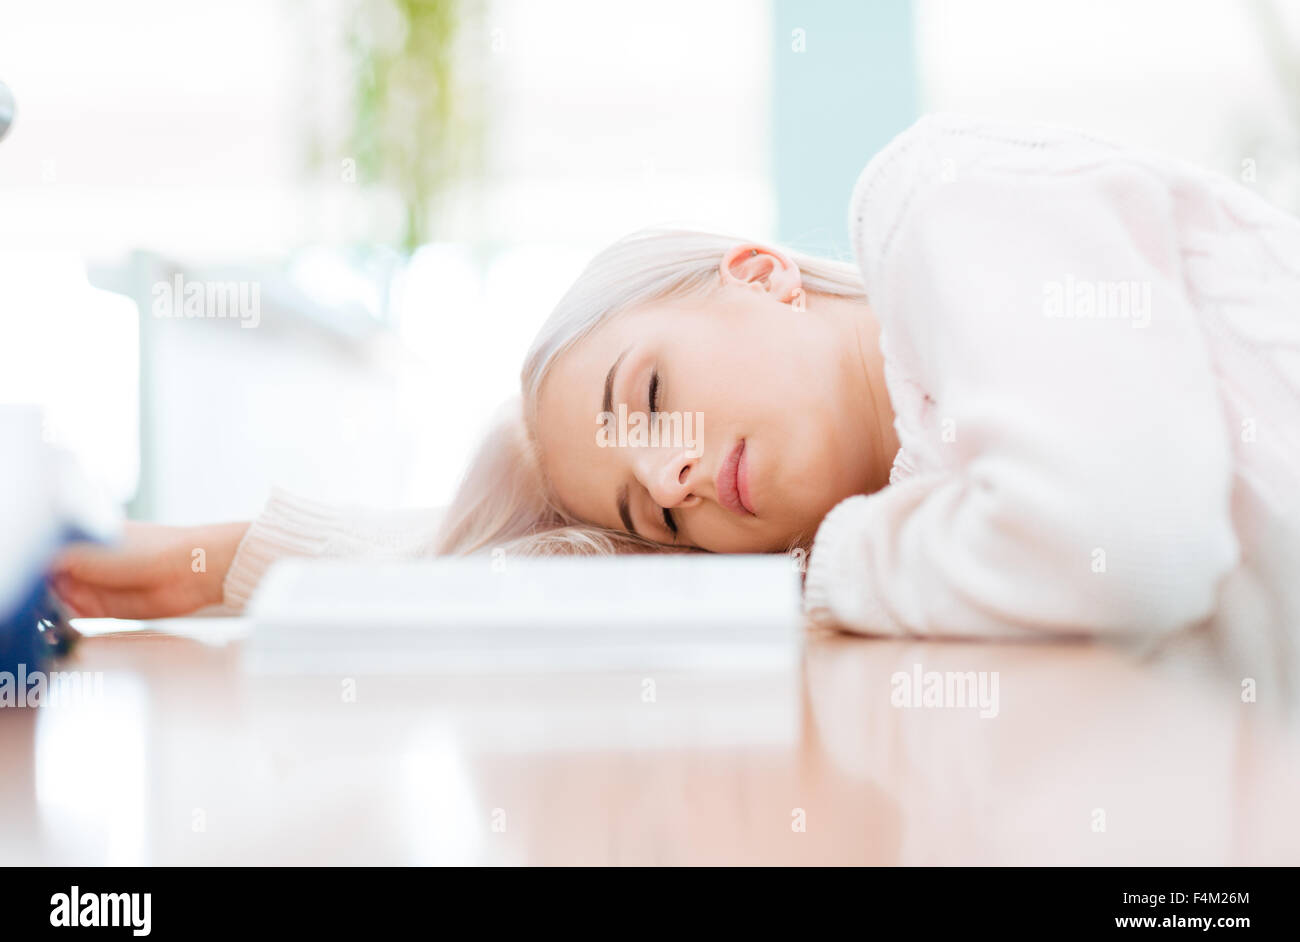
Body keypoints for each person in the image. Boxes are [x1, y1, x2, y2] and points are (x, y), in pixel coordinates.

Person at [50, 114, 1300, 677]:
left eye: (646, 394)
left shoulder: (933, 204)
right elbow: (544, 577)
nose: (671, 479)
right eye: (657, 521)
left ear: (756, 273)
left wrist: (827, 566)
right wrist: (234, 561)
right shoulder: (929, 507)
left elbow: (1130, 541)